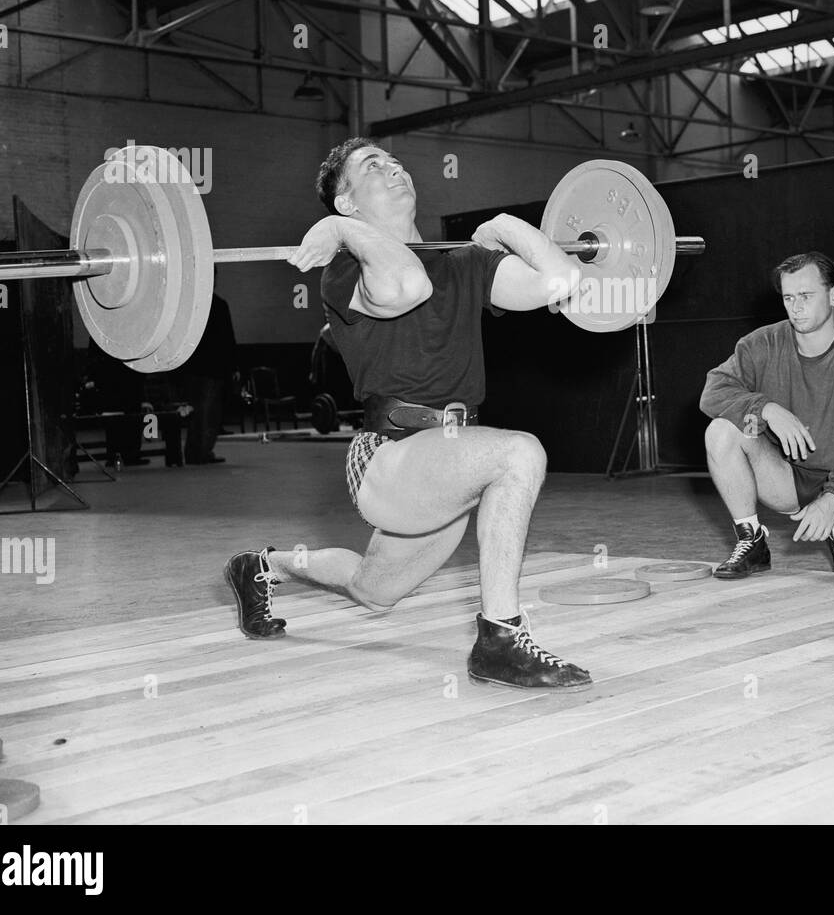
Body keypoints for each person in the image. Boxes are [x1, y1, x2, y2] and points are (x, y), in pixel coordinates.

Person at [224, 138, 592, 691]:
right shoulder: (345, 270)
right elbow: (406, 285)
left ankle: (263, 565)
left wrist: (504, 228)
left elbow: (563, 282)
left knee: (374, 591)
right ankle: (500, 638)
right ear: (346, 203)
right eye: (373, 167)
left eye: (394, 161)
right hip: (387, 454)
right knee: (520, 452)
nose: (393, 168)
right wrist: (343, 234)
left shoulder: (466, 263)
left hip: (448, 458)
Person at [700, 251, 834, 579]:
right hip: (785, 476)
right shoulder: (762, 343)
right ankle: (752, 540)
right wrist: (766, 408)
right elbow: (713, 391)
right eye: (789, 297)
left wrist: (833, 498)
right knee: (720, 431)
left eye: (806, 296)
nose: (796, 306)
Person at [181, 293, 237, 465]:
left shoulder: (190, 302)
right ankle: (203, 452)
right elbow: (227, 337)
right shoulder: (219, 304)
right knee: (209, 413)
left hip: (192, 365)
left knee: (195, 412)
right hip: (213, 367)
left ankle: (192, 452)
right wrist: (233, 366)